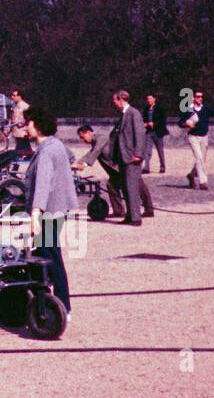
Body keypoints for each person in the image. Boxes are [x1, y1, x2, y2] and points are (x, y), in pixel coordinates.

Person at [23, 106, 78, 317]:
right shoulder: (57, 145)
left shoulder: (46, 151)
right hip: (58, 208)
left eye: (28, 123)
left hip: (48, 212)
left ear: (37, 125)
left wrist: (35, 213)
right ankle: (40, 297)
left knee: (51, 259)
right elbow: (70, 158)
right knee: (42, 255)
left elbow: (43, 184)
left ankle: (62, 306)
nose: (26, 127)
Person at [71, 123, 127, 220]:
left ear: (89, 132)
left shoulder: (101, 137)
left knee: (137, 186)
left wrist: (83, 165)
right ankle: (119, 211)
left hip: (122, 166)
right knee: (111, 185)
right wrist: (77, 163)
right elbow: (91, 152)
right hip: (115, 169)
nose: (83, 140)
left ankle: (148, 209)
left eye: (83, 137)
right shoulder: (95, 140)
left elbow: (96, 151)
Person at [113, 90, 154, 224]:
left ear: (121, 99)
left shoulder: (133, 113)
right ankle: (130, 215)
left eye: (114, 100)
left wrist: (138, 154)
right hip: (123, 157)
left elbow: (140, 135)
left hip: (132, 157)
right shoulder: (123, 115)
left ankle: (136, 218)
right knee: (125, 187)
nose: (113, 103)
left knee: (132, 187)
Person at [179, 90, 214, 190]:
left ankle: (191, 175)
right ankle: (203, 182)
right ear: (193, 98)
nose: (200, 98)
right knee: (199, 158)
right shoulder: (188, 110)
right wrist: (186, 124)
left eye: (201, 96)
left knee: (201, 159)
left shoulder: (205, 108)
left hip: (204, 137)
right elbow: (180, 123)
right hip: (193, 137)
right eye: (197, 96)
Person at [141, 94, 168, 174]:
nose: (149, 100)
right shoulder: (146, 109)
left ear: (154, 99)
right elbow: (144, 119)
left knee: (160, 150)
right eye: (148, 98)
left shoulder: (160, 108)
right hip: (149, 132)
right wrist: (145, 124)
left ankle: (162, 167)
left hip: (158, 132)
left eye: (150, 98)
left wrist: (154, 124)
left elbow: (163, 120)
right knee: (147, 150)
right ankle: (146, 167)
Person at [9, 89, 31, 154]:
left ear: (19, 96)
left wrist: (26, 128)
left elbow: (30, 119)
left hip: (23, 133)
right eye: (12, 95)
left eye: (14, 95)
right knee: (26, 151)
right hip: (17, 133)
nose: (12, 97)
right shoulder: (15, 106)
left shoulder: (25, 106)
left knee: (20, 152)